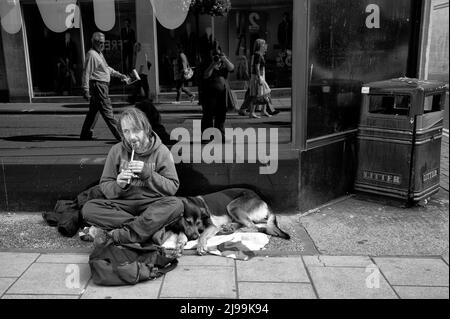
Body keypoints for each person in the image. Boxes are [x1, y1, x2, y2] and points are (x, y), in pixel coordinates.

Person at [81, 107, 183, 245]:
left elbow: (172, 187)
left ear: (146, 129)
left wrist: (148, 174)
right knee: (88, 209)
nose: (132, 137)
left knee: (176, 205)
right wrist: (118, 185)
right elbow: (105, 185)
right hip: (123, 206)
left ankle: (124, 234)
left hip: (151, 204)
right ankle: (147, 228)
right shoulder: (116, 151)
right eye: (126, 131)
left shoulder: (161, 151)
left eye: (136, 130)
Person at [80, 32, 128, 140]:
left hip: (101, 85)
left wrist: (118, 75)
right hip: (98, 86)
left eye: (103, 43)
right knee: (108, 112)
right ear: (93, 42)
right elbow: (86, 72)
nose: (102, 45)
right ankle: (122, 137)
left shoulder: (98, 54)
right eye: (99, 42)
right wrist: (85, 89)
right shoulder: (92, 55)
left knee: (93, 111)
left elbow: (106, 68)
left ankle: (85, 134)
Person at [202, 46, 235, 138]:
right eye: (214, 54)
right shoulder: (207, 63)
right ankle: (207, 136)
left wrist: (225, 60)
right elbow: (206, 75)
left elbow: (232, 68)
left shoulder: (224, 64)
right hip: (209, 93)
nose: (216, 56)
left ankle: (219, 135)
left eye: (218, 54)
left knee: (221, 115)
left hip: (222, 94)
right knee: (208, 115)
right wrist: (213, 64)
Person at [248, 39, 279, 118]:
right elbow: (257, 67)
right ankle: (252, 112)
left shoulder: (258, 54)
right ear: (260, 45)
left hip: (259, 76)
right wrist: (259, 78)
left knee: (265, 93)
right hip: (258, 76)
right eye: (263, 44)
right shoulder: (258, 55)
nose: (265, 45)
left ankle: (263, 111)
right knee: (257, 95)